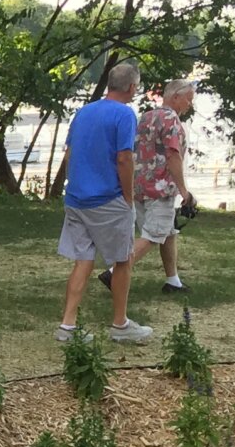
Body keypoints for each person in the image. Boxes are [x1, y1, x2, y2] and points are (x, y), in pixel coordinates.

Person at [53, 61, 152, 345]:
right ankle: (120, 324)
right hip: (107, 199)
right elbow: (124, 158)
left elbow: (70, 152)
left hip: (76, 198)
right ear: (132, 87)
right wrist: (128, 197)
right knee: (123, 259)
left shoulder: (84, 112)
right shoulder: (124, 115)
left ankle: (67, 326)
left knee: (83, 259)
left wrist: (77, 183)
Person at [117, 77, 197, 296]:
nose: (190, 105)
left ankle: (173, 281)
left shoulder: (147, 117)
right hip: (161, 187)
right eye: (188, 100)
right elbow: (173, 156)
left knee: (167, 232)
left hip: (139, 183)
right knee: (153, 234)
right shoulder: (173, 121)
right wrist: (184, 191)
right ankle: (115, 271)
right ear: (175, 96)